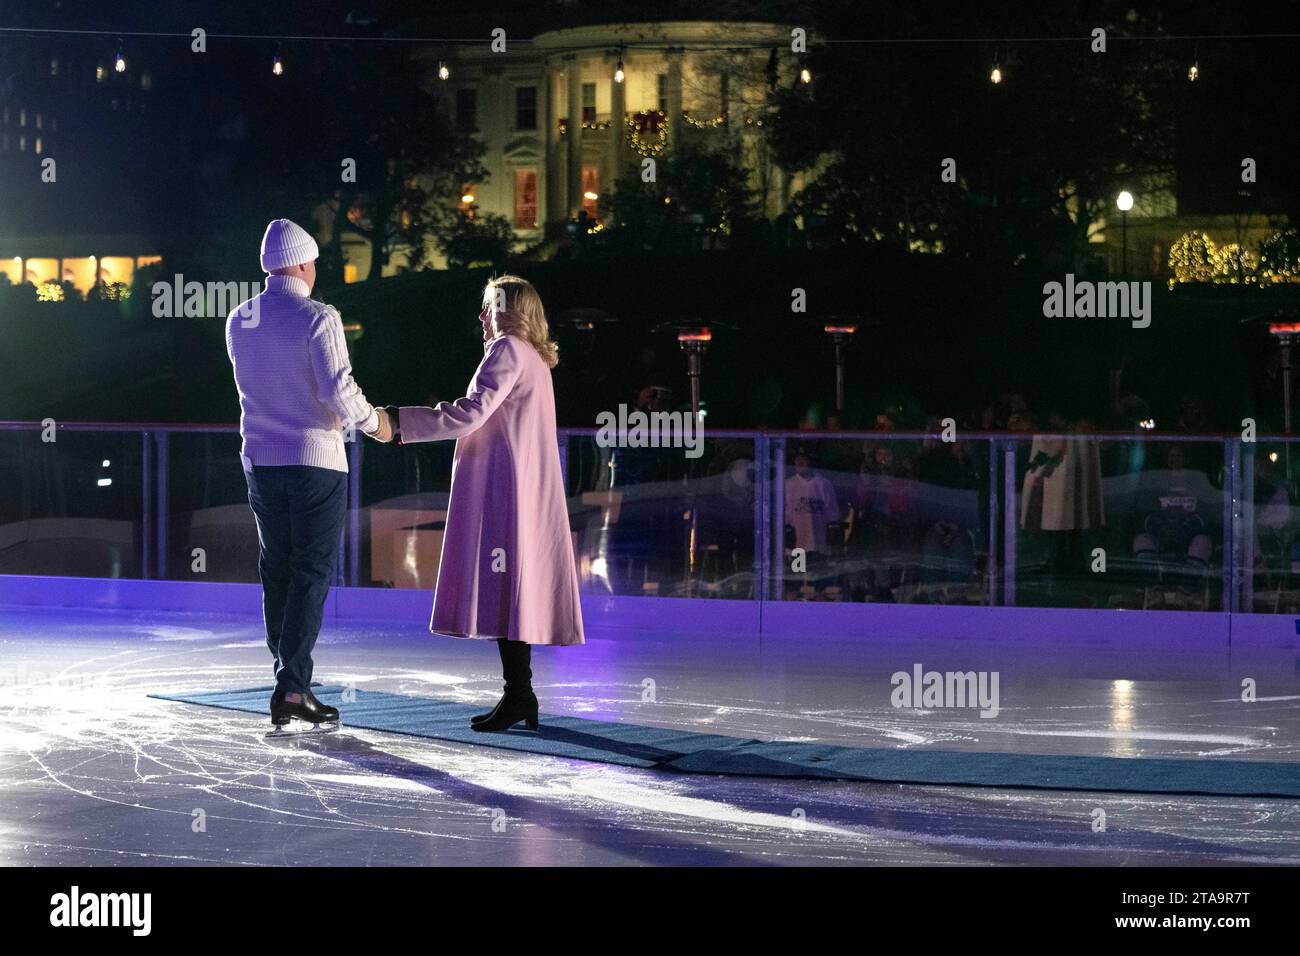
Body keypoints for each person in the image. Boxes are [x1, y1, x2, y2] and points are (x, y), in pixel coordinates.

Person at [388, 275, 584, 732]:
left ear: (512, 313)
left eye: (491, 307)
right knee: (513, 588)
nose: (482, 317)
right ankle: (521, 694)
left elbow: (469, 413)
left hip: (505, 489)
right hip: (523, 487)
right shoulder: (533, 357)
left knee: (504, 586)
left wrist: (397, 423)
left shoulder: (507, 349)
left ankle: (520, 695)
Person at [225, 218, 393, 731]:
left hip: (260, 459)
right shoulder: (320, 317)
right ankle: (294, 688)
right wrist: (376, 424)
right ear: (300, 262)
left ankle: (288, 678)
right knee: (312, 571)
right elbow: (338, 390)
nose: (317, 269)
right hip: (315, 458)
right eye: (314, 261)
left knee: (276, 568)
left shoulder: (238, 318)